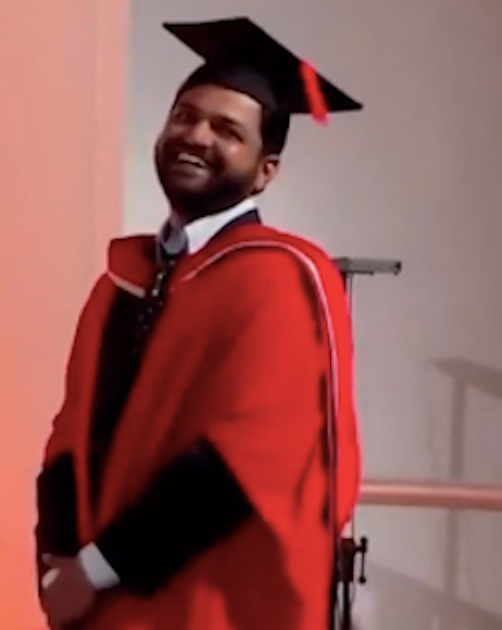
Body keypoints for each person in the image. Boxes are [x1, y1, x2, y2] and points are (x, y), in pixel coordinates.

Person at [35, 17, 363, 630]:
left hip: (208, 605)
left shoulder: (283, 277)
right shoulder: (124, 277)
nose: (196, 135)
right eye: (184, 115)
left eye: (226, 130)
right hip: (103, 608)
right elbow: (69, 437)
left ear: (265, 170)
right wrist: (56, 564)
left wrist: (95, 570)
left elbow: (246, 464)